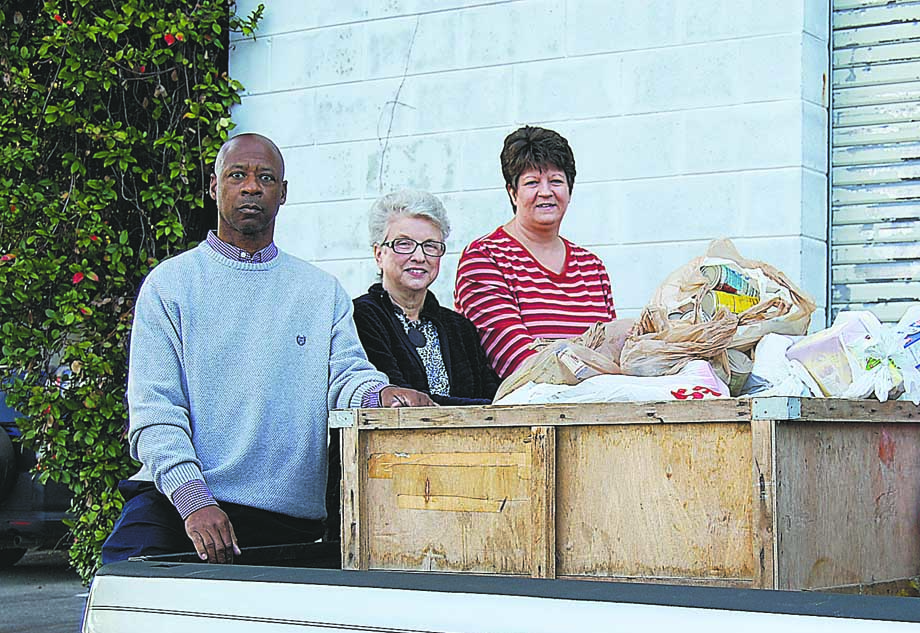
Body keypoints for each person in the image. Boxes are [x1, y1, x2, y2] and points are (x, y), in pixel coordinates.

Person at [101, 133, 433, 566]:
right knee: (118, 595)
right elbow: (154, 412)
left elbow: (345, 377)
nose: (252, 186)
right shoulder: (171, 285)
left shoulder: (319, 292)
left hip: (285, 516)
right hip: (180, 505)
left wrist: (380, 395)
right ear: (214, 186)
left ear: (283, 193)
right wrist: (193, 500)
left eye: (266, 177)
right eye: (237, 175)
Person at [454, 125, 615, 379]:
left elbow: (614, 350)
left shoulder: (592, 266)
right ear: (512, 192)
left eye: (556, 181)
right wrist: (598, 367)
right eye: (532, 182)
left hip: (597, 407)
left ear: (569, 191)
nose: (546, 192)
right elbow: (518, 362)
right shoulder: (484, 258)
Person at [353, 190, 499, 405]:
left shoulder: (459, 327)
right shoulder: (361, 316)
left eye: (430, 246)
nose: (419, 257)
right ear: (379, 254)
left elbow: (493, 398)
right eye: (404, 244)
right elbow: (401, 400)